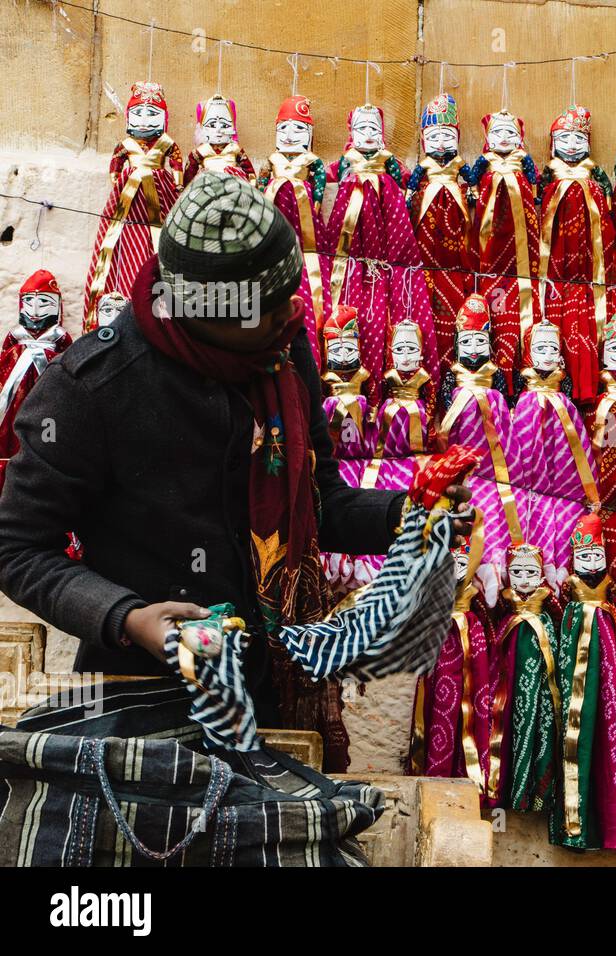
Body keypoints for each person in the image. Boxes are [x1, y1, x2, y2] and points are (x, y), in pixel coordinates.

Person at [0, 173, 471, 772]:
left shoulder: (281, 350)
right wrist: (128, 617)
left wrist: (408, 515)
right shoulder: (90, 389)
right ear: (205, 312)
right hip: (146, 703)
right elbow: (17, 548)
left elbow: (319, 504)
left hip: (274, 690)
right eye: (271, 309)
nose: (293, 316)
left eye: (289, 298)